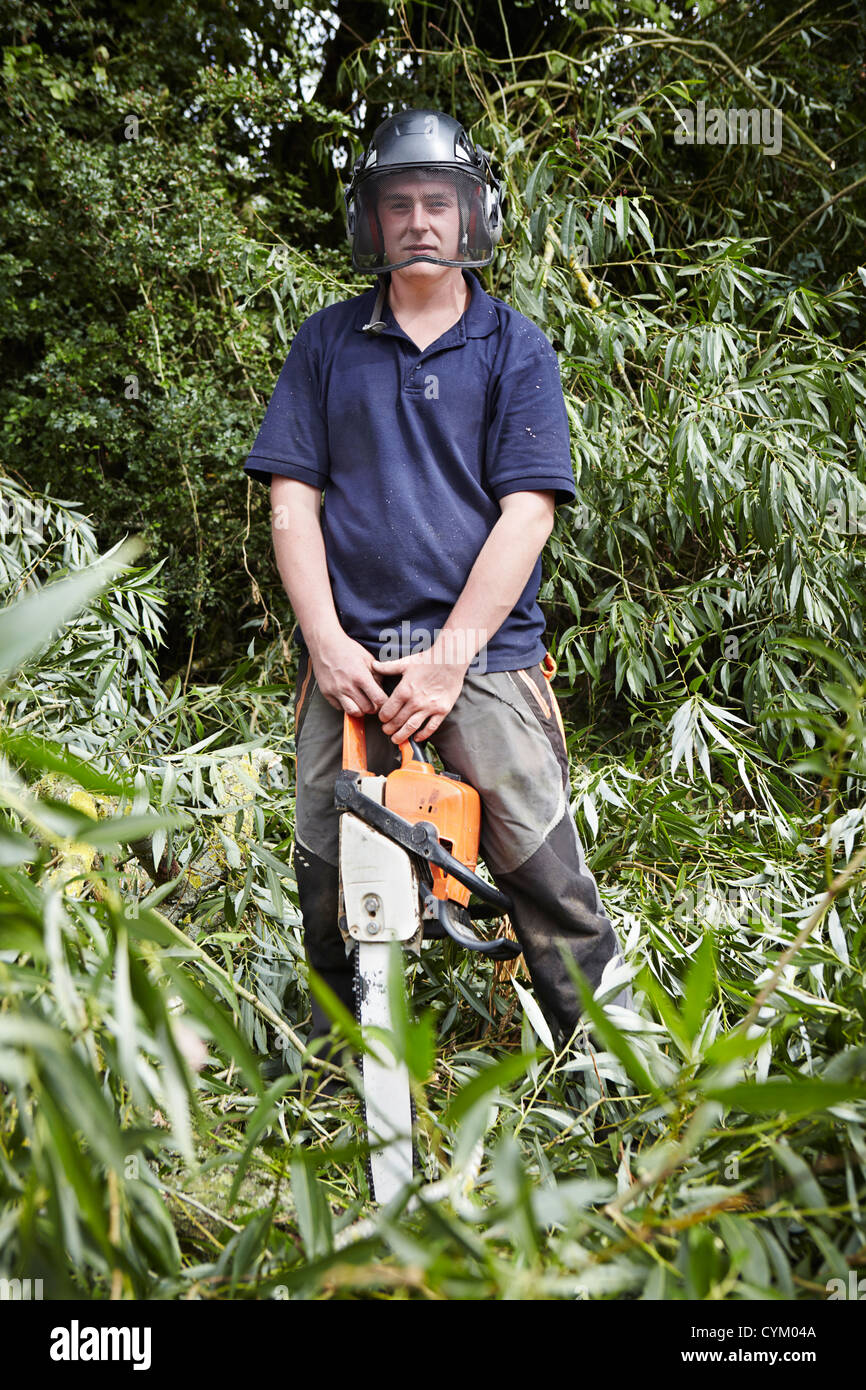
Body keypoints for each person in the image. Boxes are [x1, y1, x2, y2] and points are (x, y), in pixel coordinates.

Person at [243, 109, 633, 1063]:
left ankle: (626, 1085)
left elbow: (527, 516)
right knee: (326, 876)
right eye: (398, 202)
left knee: (547, 878)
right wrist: (328, 642)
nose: (419, 220)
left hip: (483, 659)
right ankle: (338, 1079)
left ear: (474, 216)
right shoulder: (326, 344)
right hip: (352, 660)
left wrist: (451, 661)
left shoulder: (515, 348)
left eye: (438, 202)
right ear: (369, 220)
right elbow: (293, 501)